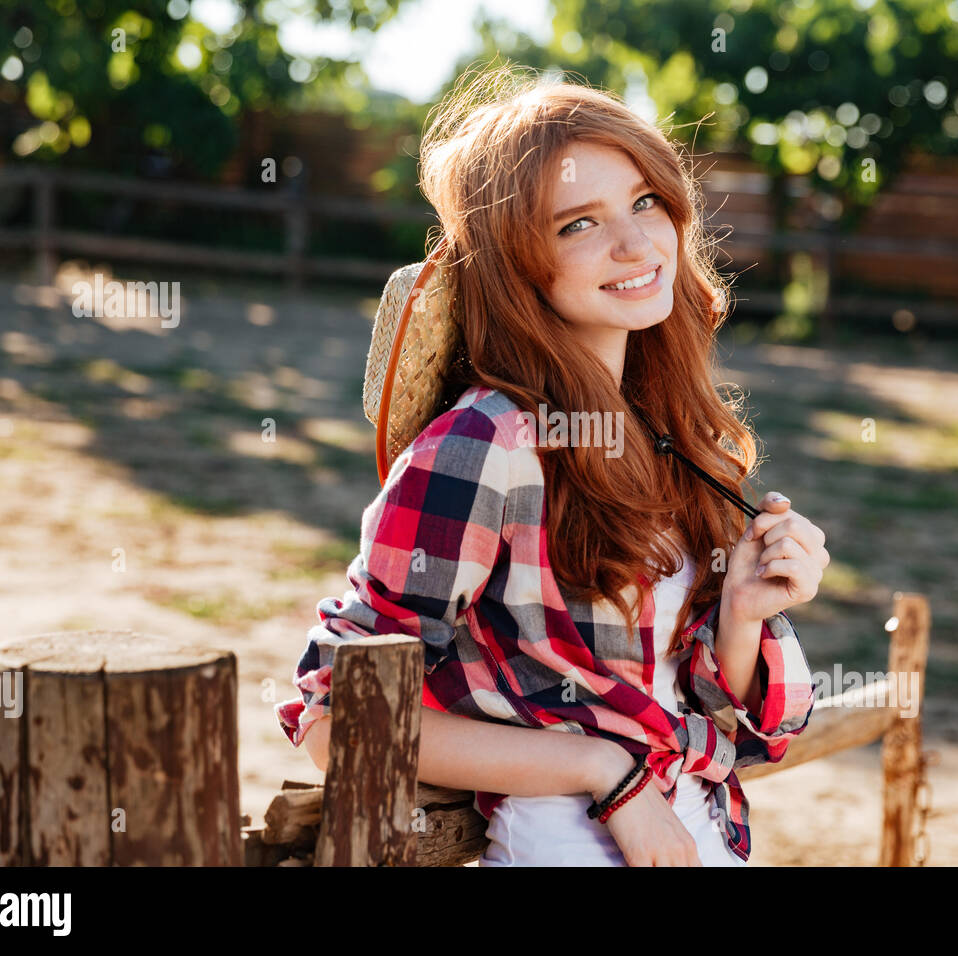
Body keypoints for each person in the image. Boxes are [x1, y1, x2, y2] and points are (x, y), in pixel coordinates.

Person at [276, 62, 828, 867]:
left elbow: (692, 705)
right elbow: (344, 719)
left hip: (702, 837)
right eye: (579, 224)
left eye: (645, 203)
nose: (636, 242)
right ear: (517, 264)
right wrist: (604, 771)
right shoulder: (486, 446)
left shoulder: (664, 427)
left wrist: (742, 613)